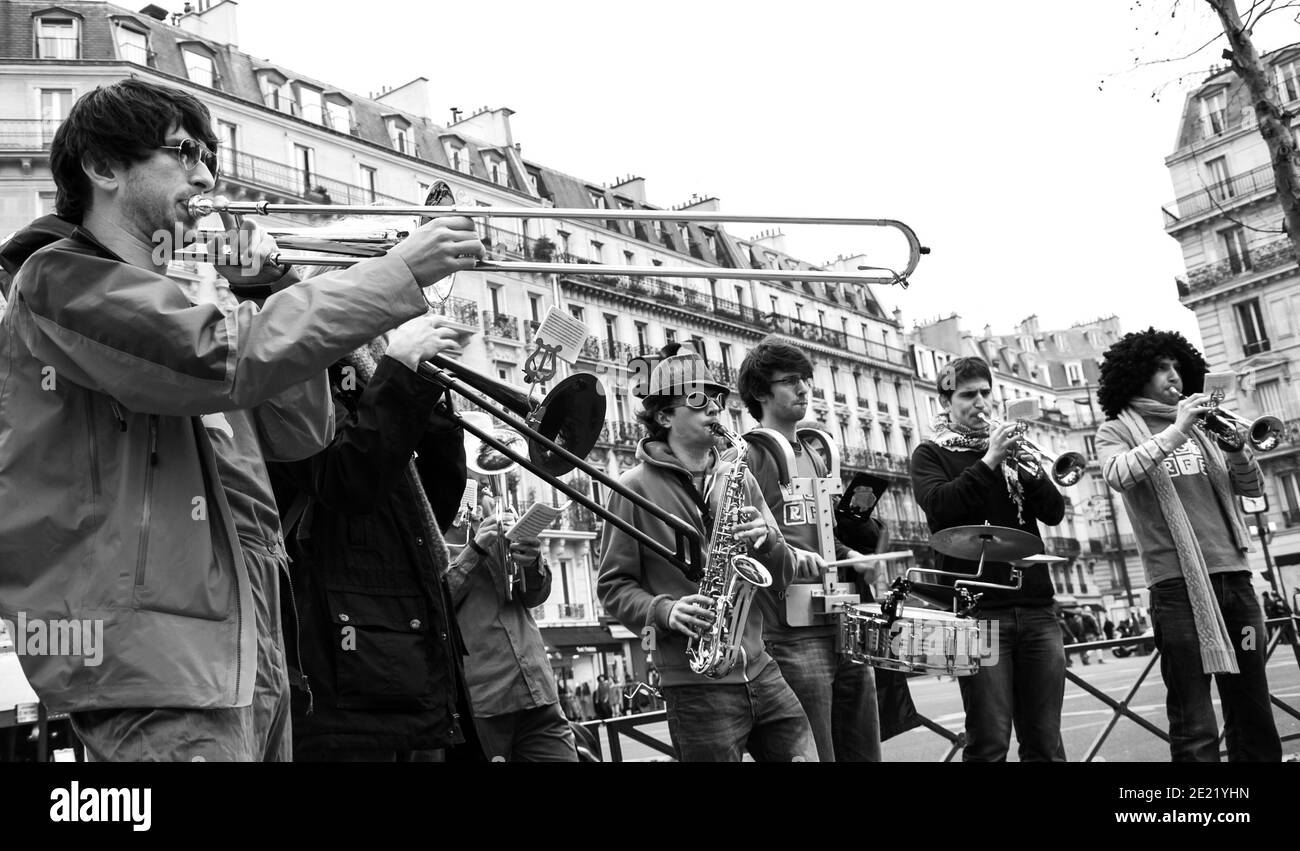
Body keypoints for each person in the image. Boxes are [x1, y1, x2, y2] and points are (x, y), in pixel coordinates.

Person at [0, 79, 482, 761]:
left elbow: (299, 432)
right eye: (182, 153)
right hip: (154, 660)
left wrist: (272, 285)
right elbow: (219, 358)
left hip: (249, 645)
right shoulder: (58, 277)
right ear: (104, 167)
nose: (205, 175)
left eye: (210, 158)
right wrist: (394, 273)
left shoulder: (190, 297)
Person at [266, 313, 479, 761]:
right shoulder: (301, 359)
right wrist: (399, 369)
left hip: (405, 657)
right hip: (347, 667)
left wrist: (429, 396)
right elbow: (348, 477)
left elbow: (433, 509)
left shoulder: (372, 374)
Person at [597, 351, 816, 762]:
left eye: (717, 398)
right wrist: (665, 611)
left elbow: (782, 575)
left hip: (760, 667)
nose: (715, 407)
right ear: (664, 417)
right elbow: (612, 587)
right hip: (694, 681)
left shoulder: (738, 475)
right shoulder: (632, 488)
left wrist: (768, 540)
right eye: (698, 400)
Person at [1095, 328, 1281, 762]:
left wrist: (1237, 451)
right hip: (1177, 587)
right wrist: (1178, 429)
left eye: (1177, 367)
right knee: (1194, 719)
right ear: (1136, 375)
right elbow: (1119, 474)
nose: (1173, 376)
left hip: (1234, 578)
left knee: (1252, 706)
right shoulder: (1116, 431)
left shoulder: (1207, 424)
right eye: (1161, 369)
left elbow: (1250, 489)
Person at [910, 356, 1068, 762]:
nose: (980, 402)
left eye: (985, 392)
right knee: (990, 741)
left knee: (1046, 741)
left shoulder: (1014, 453)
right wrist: (990, 461)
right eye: (968, 395)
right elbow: (941, 508)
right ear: (945, 400)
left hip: (1036, 607)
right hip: (979, 614)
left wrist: (1028, 469)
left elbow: (1052, 512)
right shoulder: (930, 455)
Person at [736, 336, 884, 762]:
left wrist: (852, 557)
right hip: (790, 631)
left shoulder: (813, 454)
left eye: (806, 379)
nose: (804, 389)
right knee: (817, 753)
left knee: (863, 748)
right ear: (762, 392)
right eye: (790, 381)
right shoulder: (751, 456)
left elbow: (820, 531)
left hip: (839, 617)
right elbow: (751, 538)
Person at [445, 501, 578, 762]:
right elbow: (434, 602)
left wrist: (532, 560)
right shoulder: (435, 517)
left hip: (537, 688)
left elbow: (534, 597)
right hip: (484, 700)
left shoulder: (492, 506)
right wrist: (474, 551)